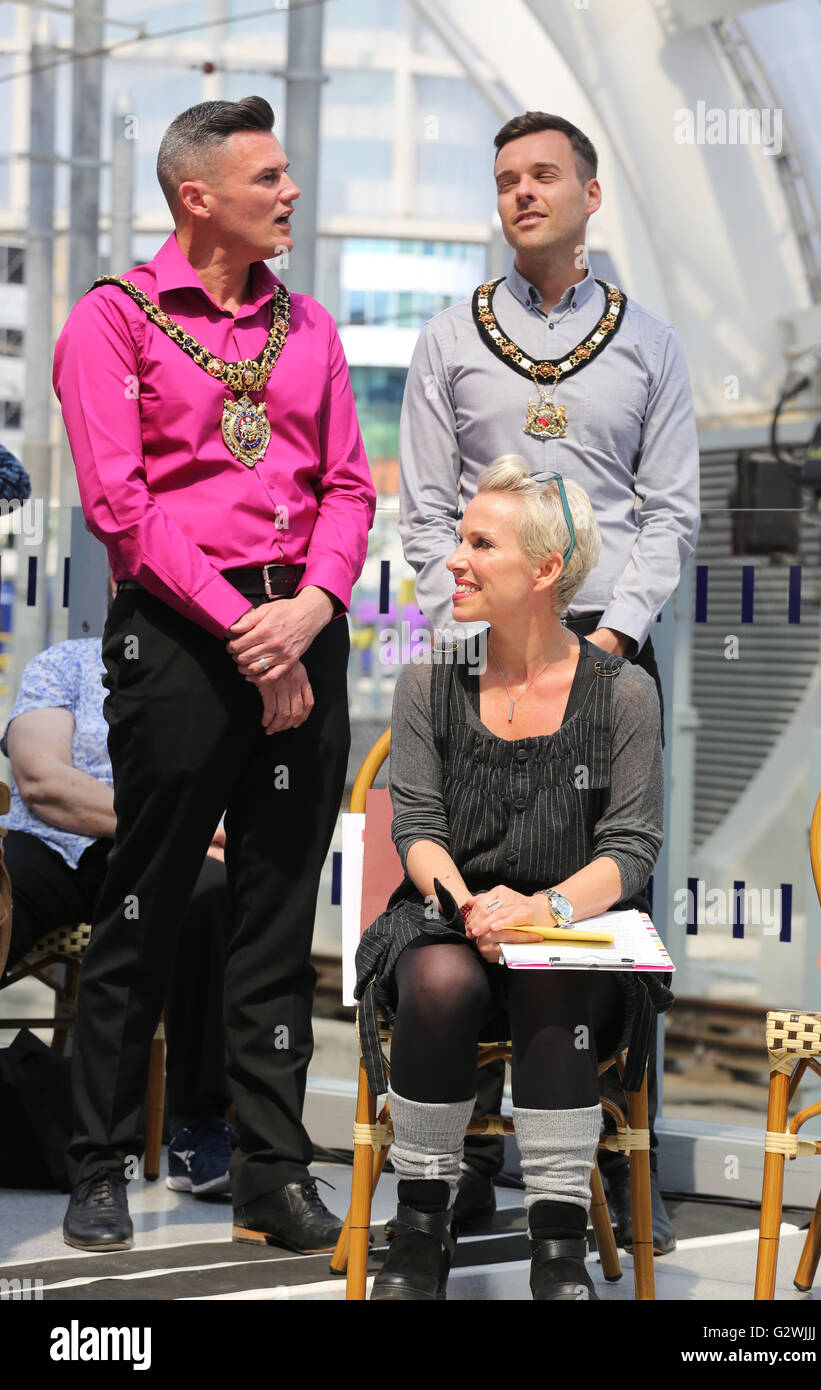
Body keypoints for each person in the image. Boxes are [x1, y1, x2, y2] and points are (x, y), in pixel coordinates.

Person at [52, 96, 376, 1253]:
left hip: (299, 620)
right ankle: (94, 1161)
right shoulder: (112, 320)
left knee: (277, 922)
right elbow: (120, 507)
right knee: (144, 899)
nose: (290, 193)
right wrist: (255, 630)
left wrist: (312, 609)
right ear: (199, 197)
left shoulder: (313, 327)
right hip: (185, 639)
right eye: (269, 178)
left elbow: (350, 486)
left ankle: (270, 1170)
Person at [398, 110, 700, 1250]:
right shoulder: (447, 335)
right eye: (505, 179)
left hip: (606, 649)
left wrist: (610, 641)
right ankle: (464, 1161)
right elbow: (428, 513)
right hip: (485, 651)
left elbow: (667, 509)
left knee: (610, 897)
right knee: (471, 887)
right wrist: (465, 638)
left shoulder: (651, 343)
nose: (522, 193)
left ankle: (617, 1173)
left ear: (589, 192)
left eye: (543, 176)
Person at [356, 460, 670, 1300]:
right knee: (437, 973)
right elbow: (416, 828)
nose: (454, 560)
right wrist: (470, 908)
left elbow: (631, 849)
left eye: (478, 543)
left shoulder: (625, 694)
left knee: (550, 979)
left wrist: (544, 911)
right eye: (459, 539)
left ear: (543, 570)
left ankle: (558, 1247)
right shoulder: (428, 680)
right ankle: (422, 1232)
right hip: (448, 916)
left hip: (573, 935)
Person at [0, 635, 237, 1195]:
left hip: (164, 855)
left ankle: (197, 1128)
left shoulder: (222, 676)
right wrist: (173, 819)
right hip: (52, 844)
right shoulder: (67, 662)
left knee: (210, 895)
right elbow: (39, 782)